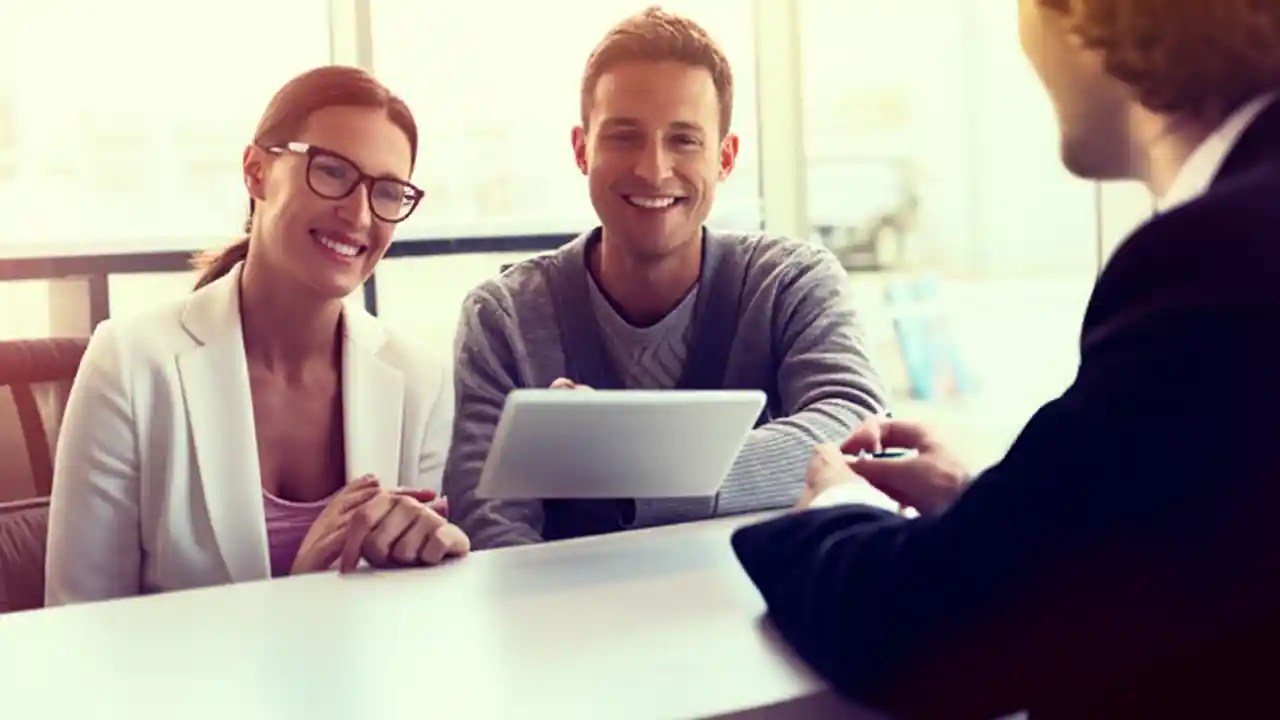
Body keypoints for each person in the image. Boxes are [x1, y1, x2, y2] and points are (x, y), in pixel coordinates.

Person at [732, 1, 1280, 717]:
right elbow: (1203, 533)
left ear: (1088, 16)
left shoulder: (1212, 260)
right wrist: (991, 506)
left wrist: (841, 504)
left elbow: (927, 635)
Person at [444, 7, 887, 550]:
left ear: (724, 158)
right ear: (582, 150)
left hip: (753, 611)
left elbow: (856, 429)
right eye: (624, 137)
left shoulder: (790, 283)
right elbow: (487, 529)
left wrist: (621, 461)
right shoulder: (503, 317)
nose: (654, 169)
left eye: (684, 140)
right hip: (569, 621)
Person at [45, 66, 470, 606]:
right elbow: (80, 627)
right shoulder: (129, 365)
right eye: (333, 172)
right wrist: (298, 595)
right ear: (256, 171)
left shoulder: (420, 379)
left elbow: (413, 622)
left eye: (388, 192)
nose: (359, 214)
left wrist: (447, 569)